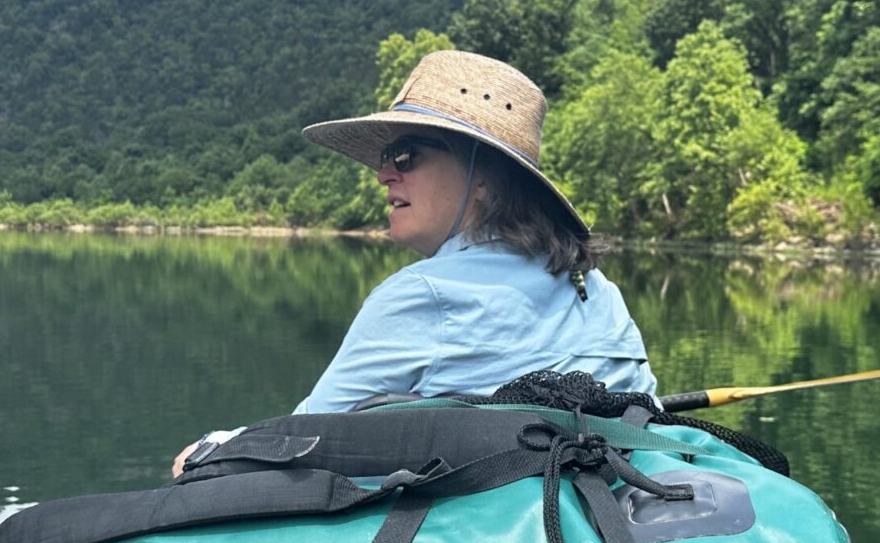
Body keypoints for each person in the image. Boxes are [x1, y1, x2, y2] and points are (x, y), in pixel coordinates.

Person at [174, 50, 655, 472]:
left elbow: (297, 444)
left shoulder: (421, 295)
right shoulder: (595, 287)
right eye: (387, 156)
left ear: (484, 177)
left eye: (405, 155)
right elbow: (647, 413)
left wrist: (214, 448)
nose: (383, 174)